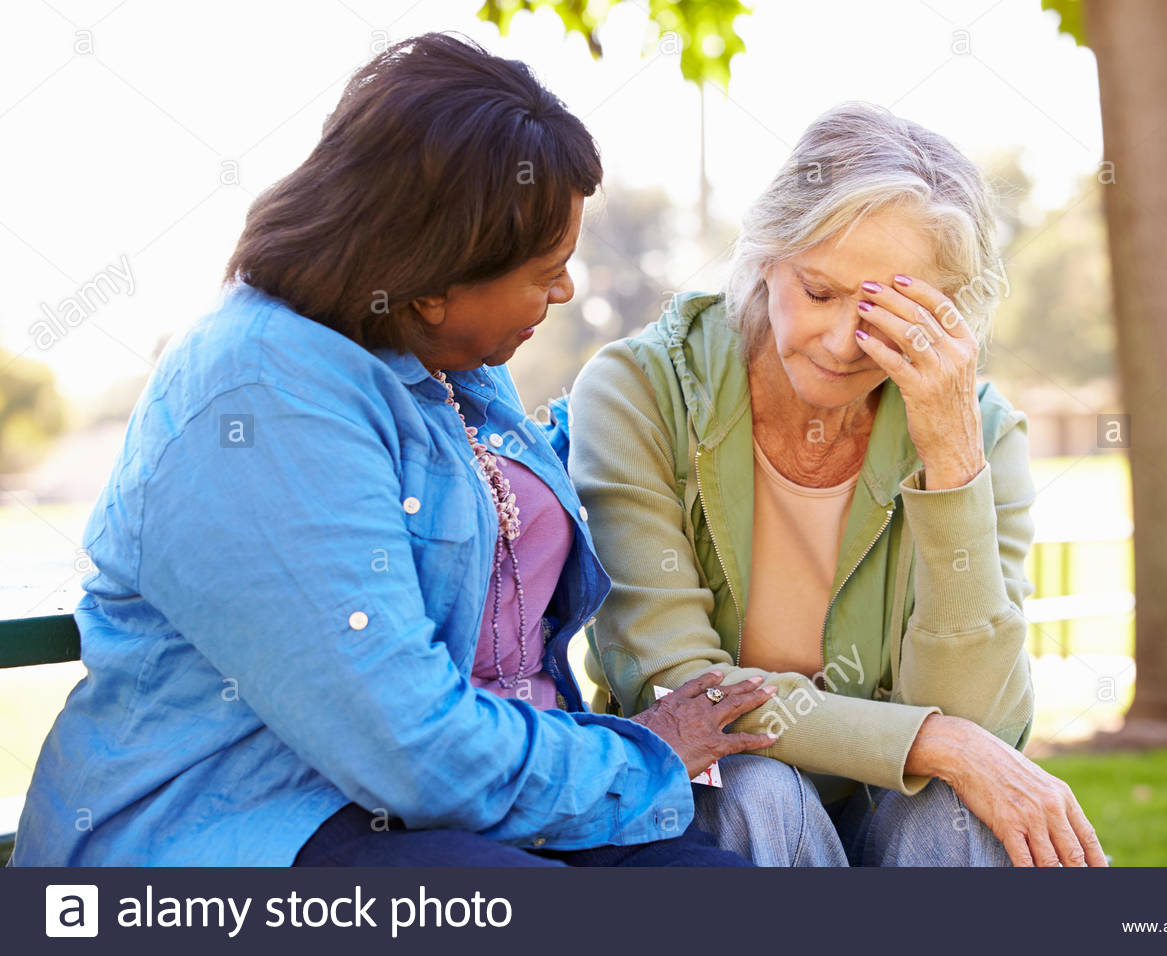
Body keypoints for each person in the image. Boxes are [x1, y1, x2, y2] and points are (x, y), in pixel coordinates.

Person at [9, 32, 775, 868]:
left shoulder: (450, 372)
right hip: (237, 830)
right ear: (432, 277)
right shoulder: (260, 392)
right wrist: (637, 757)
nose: (564, 290)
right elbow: (410, 748)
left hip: (448, 816)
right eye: (543, 268)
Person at [567, 102, 1107, 867]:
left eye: (892, 313)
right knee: (760, 790)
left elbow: (982, 723)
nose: (842, 342)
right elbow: (684, 693)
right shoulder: (640, 390)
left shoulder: (982, 431)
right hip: (720, 816)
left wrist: (951, 459)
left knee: (952, 815)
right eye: (819, 292)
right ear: (766, 257)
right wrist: (935, 741)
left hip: (900, 815)